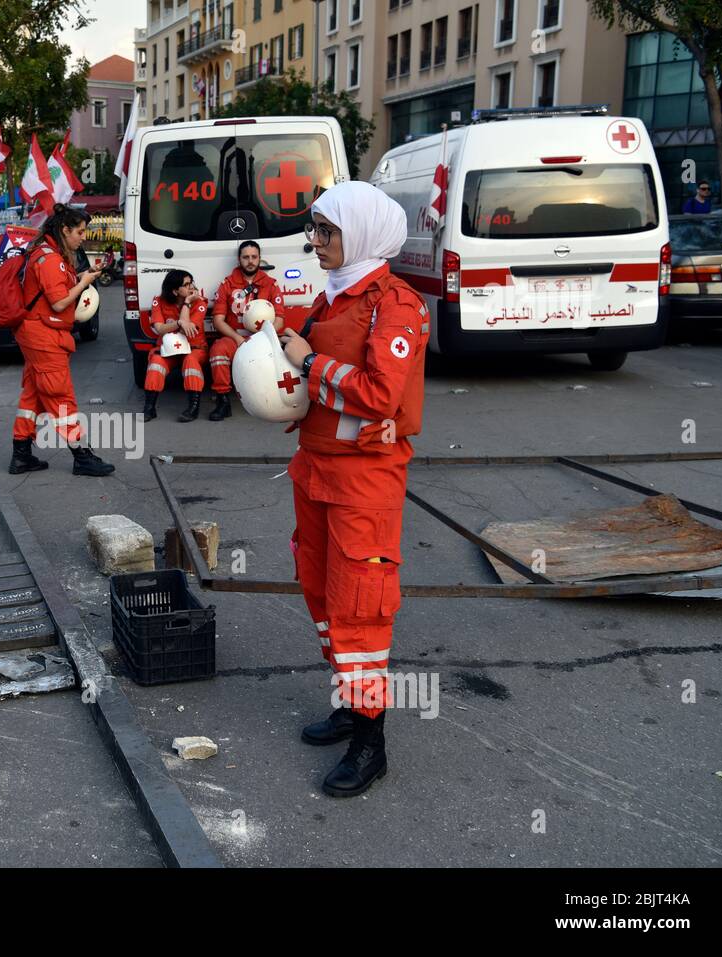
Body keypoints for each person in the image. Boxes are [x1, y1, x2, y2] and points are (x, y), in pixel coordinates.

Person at [278, 181, 428, 798]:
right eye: (314, 230)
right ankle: (349, 701)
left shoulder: (396, 304)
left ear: (361, 234)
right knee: (321, 592)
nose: (315, 242)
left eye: (326, 231)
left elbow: (377, 395)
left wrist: (309, 363)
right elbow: (313, 373)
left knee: (360, 606)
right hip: (315, 469)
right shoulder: (334, 299)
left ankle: (372, 740)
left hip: (364, 481)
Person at [9, 203, 115, 477]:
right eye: (79, 232)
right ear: (64, 230)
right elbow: (58, 303)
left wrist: (82, 277)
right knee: (60, 395)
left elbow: (54, 290)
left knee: (33, 395)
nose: (82, 237)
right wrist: (82, 284)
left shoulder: (46, 253)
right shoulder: (50, 258)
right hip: (43, 335)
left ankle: (21, 454)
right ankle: (82, 456)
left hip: (37, 333)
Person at [208, 240, 285, 421]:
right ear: (239, 259)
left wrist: (261, 340)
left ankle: (269, 399)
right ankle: (223, 401)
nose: (250, 261)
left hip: (263, 339)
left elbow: (280, 321)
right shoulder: (226, 284)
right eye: (245, 257)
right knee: (218, 351)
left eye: (254, 257)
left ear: (259, 259)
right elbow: (218, 320)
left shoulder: (271, 285)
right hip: (236, 338)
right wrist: (237, 338)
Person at [142, 270, 209, 422]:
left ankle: (193, 407)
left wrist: (186, 304)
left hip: (195, 348)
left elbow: (188, 330)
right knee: (156, 363)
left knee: (191, 362)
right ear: (175, 290)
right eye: (186, 284)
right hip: (168, 349)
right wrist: (178, 323)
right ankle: (149, 407)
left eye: (191, 282)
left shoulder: (200, 302)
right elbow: (159, 328)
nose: (191, 287)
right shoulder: (158, 301)